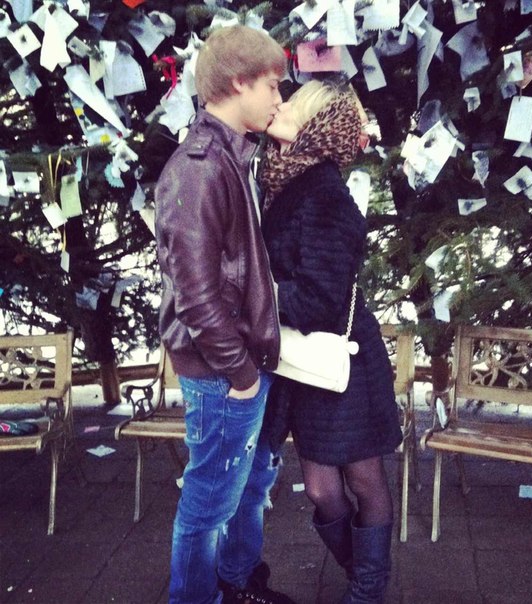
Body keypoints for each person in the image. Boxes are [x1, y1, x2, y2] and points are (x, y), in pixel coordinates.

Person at [154, 25, 295, 604]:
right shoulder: (200, 167)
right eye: (272, 86)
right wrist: (240, 375)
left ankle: (234, 586)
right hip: (222, 372)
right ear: (239, 82)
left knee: (245, 489)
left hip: (237, 365)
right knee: (208, 504)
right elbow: (196, 294)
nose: (279, 100)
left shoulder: (231, 155)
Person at [260, 79, 403, 604]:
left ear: (314, 123)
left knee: (363, 480)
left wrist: (254, 295)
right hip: (304, 361)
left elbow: (319, 299)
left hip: (342, 360)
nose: (280, 104)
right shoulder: (285, 180)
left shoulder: (324, 195)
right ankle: (364, 572)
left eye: (293, 102)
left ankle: (367, 590)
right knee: (321, 489)